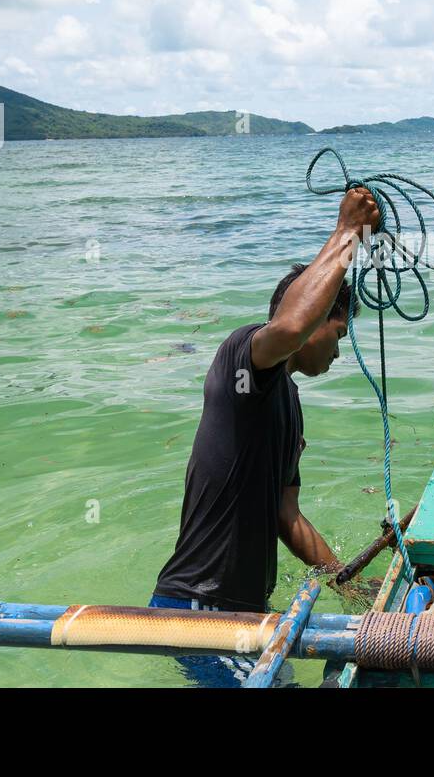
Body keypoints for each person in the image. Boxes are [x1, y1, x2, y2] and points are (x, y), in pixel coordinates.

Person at [150, 185, 382, 686]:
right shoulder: (243, 360)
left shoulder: (289, 405)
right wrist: (346, 234)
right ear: (316, 318)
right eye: (338, 335)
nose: (339, 353)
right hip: (200, 609)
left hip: (243, 613)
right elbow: (291, 327)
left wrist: (349, 583)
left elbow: (287, 515)